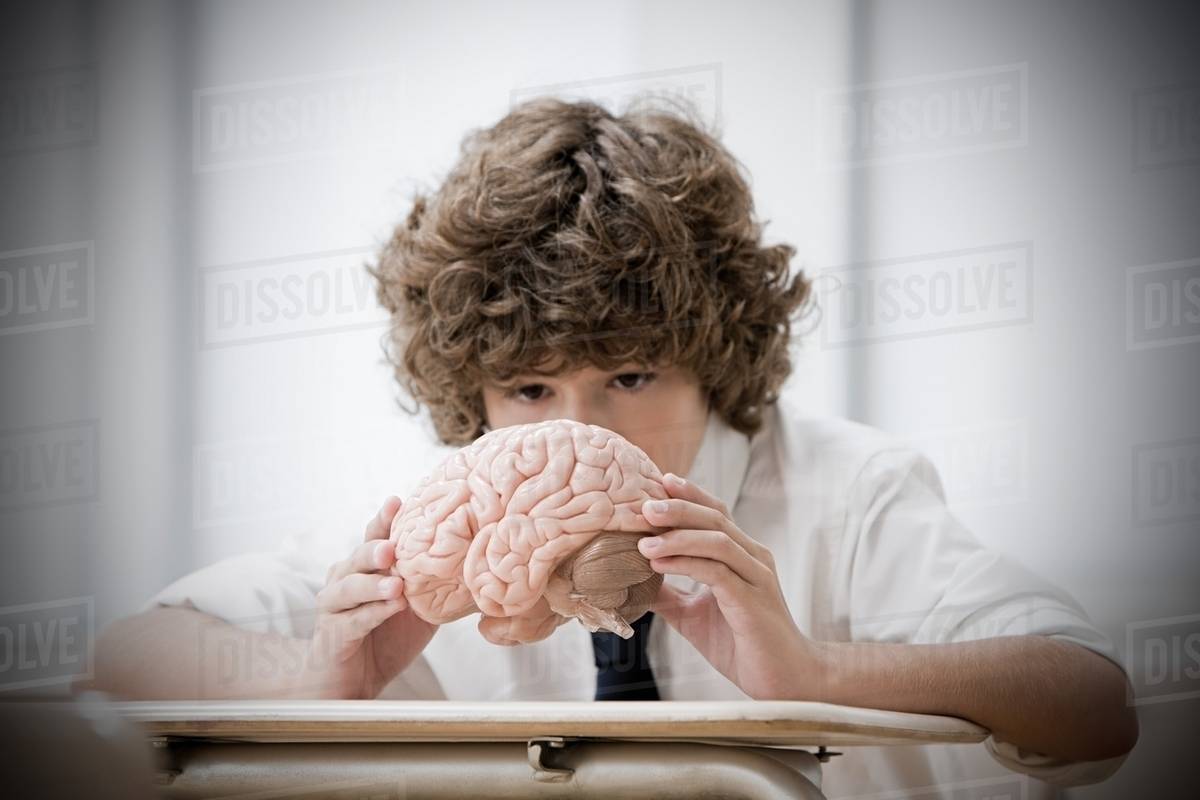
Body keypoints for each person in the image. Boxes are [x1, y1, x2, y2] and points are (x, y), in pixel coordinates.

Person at [84, 98, 1137, 796]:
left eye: (630, 376)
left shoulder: (846, 491)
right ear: (474, 393)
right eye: (530, 389)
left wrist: (817, 671)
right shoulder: (430, 537)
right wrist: (315, 677)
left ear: (714, 354)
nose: (579, 431)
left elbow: (1093, 701)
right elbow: (133, 650)